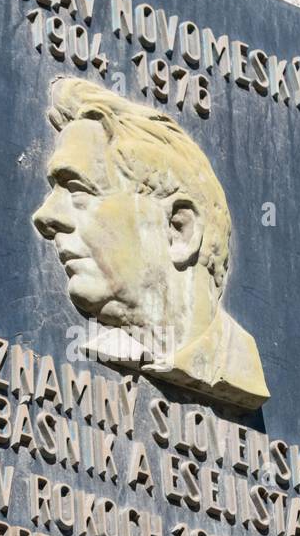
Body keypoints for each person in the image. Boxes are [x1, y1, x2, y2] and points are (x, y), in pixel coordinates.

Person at [32, 77, 268, 411]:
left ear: (179, 229)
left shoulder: (239, 370)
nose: (45, 217)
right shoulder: (99, 352)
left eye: (79, 191)